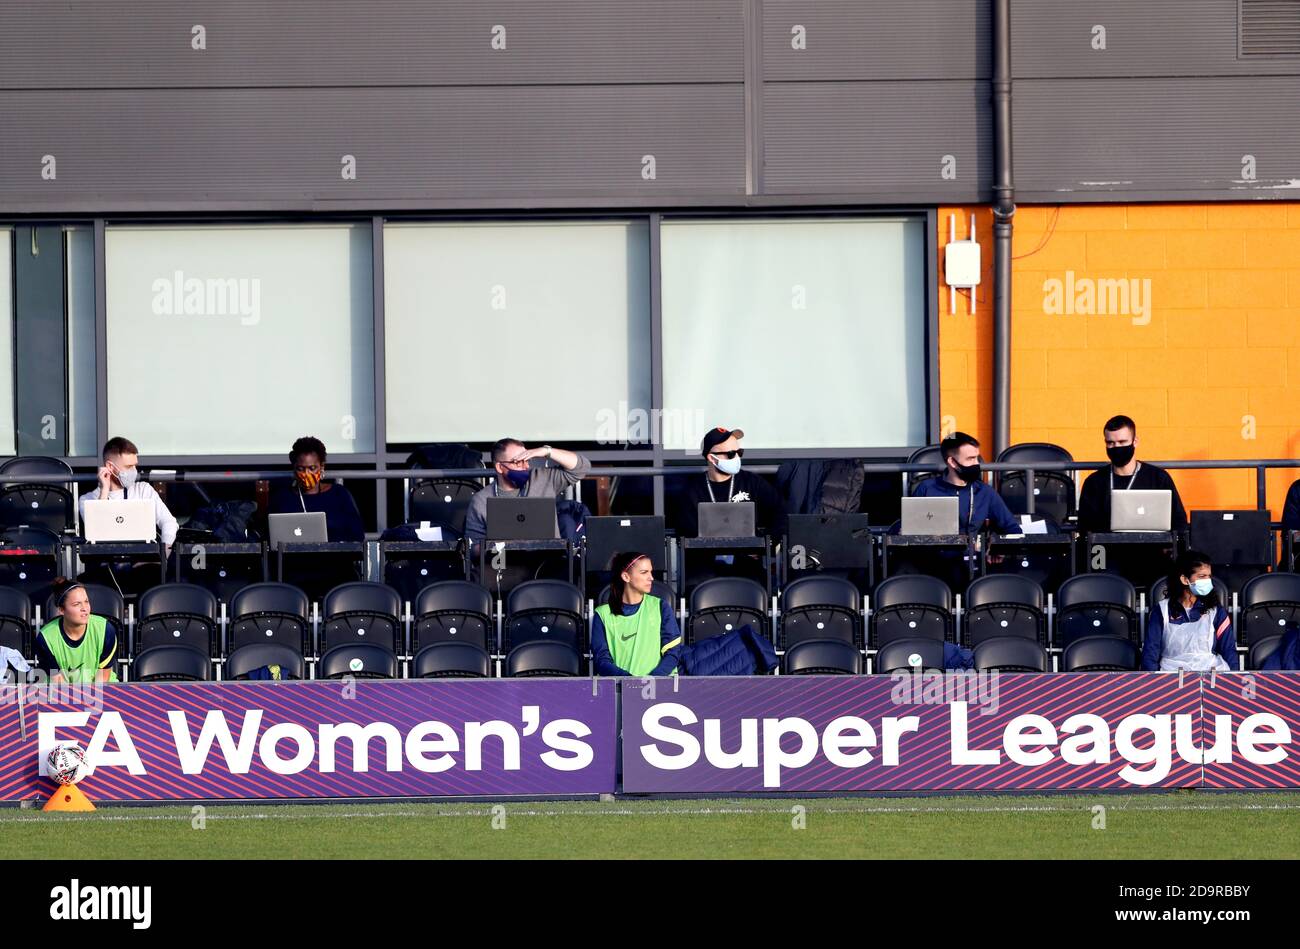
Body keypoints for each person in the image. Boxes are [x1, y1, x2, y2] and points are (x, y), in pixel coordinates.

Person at [463, 438, 591, 544]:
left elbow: (581, 468)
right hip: (504, 567)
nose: (526, 466)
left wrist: (546, 451)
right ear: (500, 467)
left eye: (527, 460)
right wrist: (498, 546)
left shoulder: (543, 478)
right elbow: (472, 546)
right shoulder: (481, 500)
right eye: (518, 462)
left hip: (548, 564)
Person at [1078, 415, 1187, 533]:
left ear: (1135, 441)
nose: (1116, 447)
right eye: (1110, 443)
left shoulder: (1158, 478)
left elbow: (1179, 521)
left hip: (1151, 548)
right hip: (1107, 549)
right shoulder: (1094, 482)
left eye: (1122, 442)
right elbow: (1085, 527)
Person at [669, 427, 784, 538]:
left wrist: (764, 543)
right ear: (712, 458)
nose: (737, 457)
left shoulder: (752, 482)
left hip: (747, 555)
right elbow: (686, 532)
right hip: (706, 556)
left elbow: (781, 511)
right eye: (731, 454)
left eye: (740, 452)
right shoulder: (692, 490)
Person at [79, 436, 179, 552]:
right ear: (110, 467)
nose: (134, 471)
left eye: (135, 465)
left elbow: (169, 522)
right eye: (128, 467)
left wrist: (164, 553)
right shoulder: (87, 500)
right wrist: (104, 490)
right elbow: (97, 531)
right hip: (106, 564)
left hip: (142, 562)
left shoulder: (143, 490)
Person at [590, 552, 682, 677]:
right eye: (644, 572)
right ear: (626, 577)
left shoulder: (661, 607)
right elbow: (602, 661)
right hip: (617, 689)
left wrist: (652, 680)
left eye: (651, 572)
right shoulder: (602, 614)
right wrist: (630, 683)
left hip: (660, 688)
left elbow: (673, 652)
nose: (651, 578)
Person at [1142, 550, 1237, 672]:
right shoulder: (1161, 611)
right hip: (1171, 677)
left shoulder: (1216, 611)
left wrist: (1235, 680)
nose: (1208, 581)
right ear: (1184, 579)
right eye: (1202, 576)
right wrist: (1154, 684)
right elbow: (1150, 653)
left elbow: (1228, 649)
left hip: (1210, 676)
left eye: (1209, 576)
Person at [911, 431, 1020, 535]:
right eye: (970, 459)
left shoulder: (984, 492)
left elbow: (1012, 528)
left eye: (977, 458)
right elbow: (908, 526)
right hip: (934, 553)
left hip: (970, 553)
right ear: (952, 462)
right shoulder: (927, 488)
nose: (977, 463)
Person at [268, 436, 365, 542]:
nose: (306, 474)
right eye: (301, 469)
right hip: (293, 557)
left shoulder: (338, 494)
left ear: (322, 466)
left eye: (312, 468)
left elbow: (357, 534)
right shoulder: (282, 498)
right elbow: (270, 535)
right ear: (294, 468)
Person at [33, 578, 118, 684]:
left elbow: (102, 681)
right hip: (61, 694)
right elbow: (59, 684)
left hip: (99, 692)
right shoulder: (45, 638)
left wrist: (90, 699)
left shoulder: (106, 630)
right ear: (61, 610)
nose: (84, 608)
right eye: (77, 604)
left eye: (86, 601)